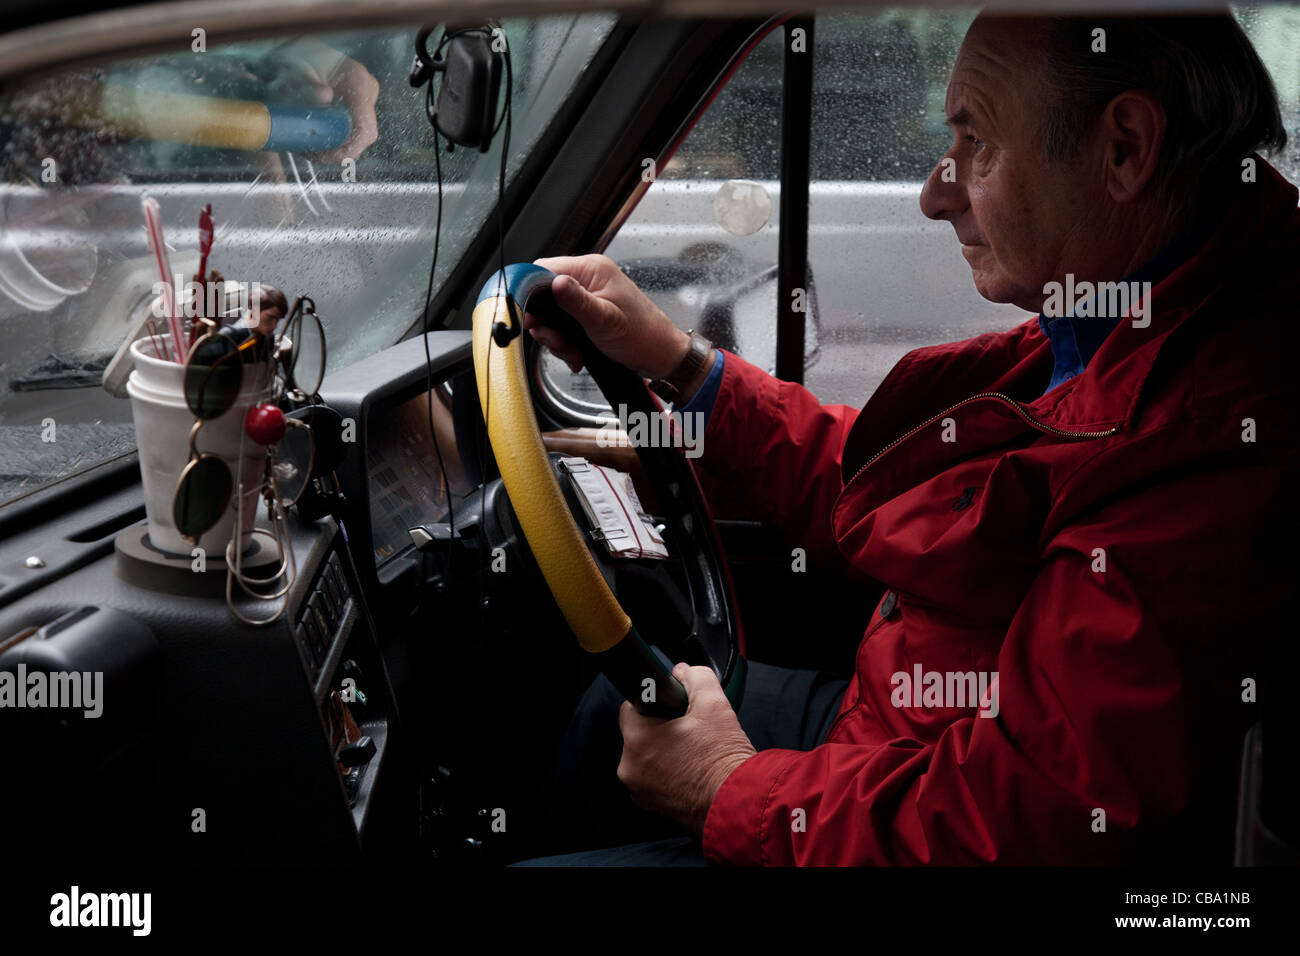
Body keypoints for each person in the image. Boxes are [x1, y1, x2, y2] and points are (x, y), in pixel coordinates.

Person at [518, 11, 1298, 865]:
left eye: (977, 143)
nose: (936, 192)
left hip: (929, 791)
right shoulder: (1136, 318)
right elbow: (929, 497)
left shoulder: (1206, 434)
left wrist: (723, 785)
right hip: (904, 731)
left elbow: (1027, 819)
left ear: (1124, 148)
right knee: (611, 710)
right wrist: (683, 366)